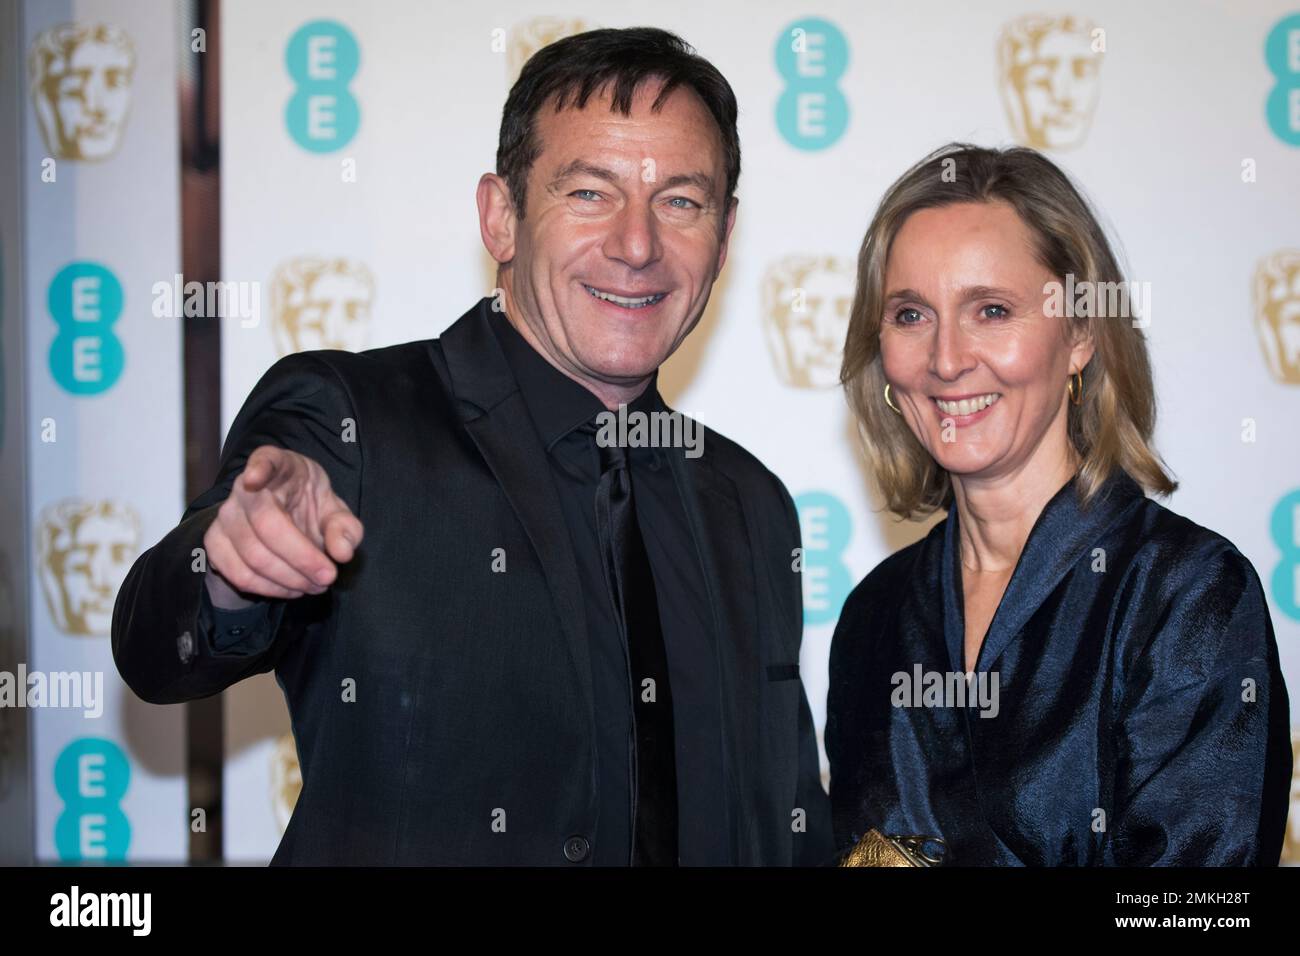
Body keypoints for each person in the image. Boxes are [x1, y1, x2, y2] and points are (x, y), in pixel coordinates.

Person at [112, 27, 832, 866]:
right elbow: (156, 651)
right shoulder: (352, 422)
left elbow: (787, 817)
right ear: (501, 217)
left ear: (725, 234)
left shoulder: (752, 503)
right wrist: (228, 568)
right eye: (590, 194)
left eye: (681, 201)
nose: (638, 246)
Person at [827, 143, 1292, 865]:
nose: (947, 360)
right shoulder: (872, 617)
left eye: (991, 309)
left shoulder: (1184, 596)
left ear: (1080, 334)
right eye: (912, 314)